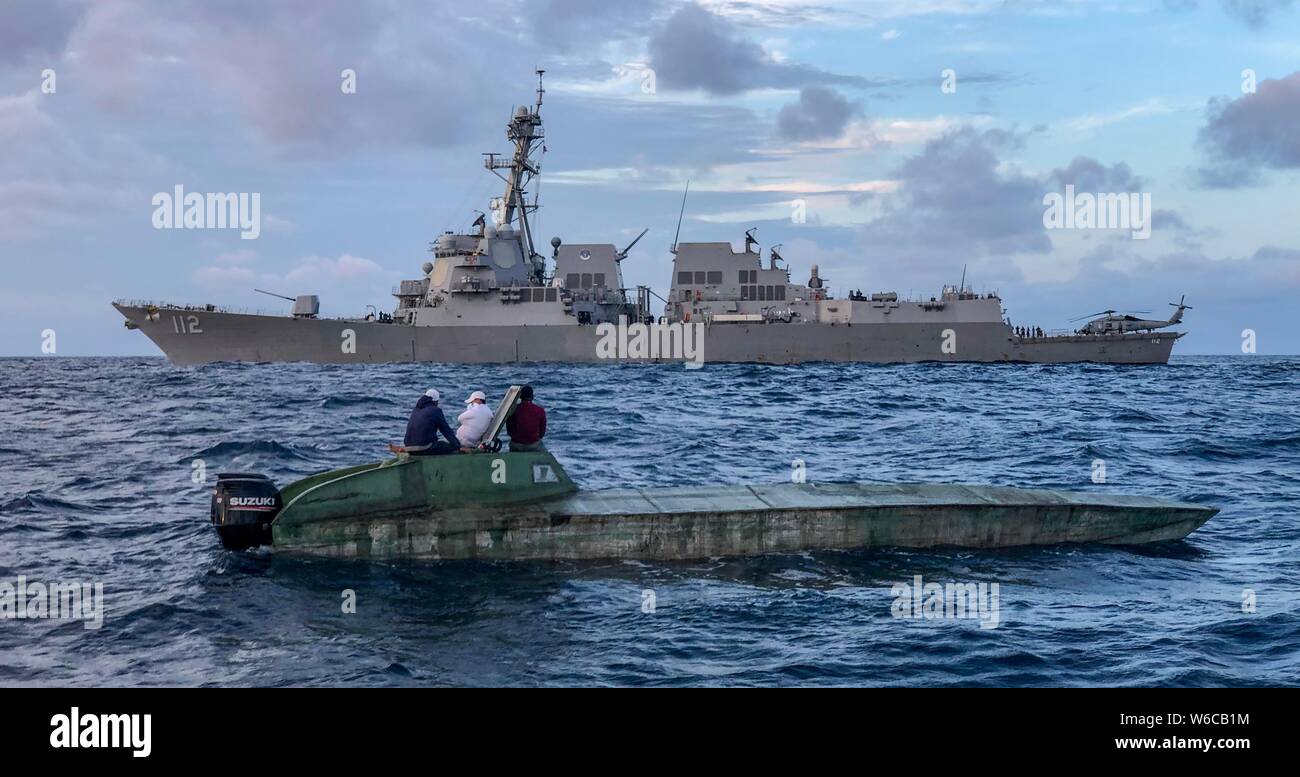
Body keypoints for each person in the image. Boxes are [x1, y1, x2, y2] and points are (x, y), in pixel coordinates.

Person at [400, 389, 460, 456]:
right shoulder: (436, 410)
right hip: (424, 448)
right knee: (448, 446)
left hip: (409, 449)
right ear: (435, 401)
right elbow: (446, 430)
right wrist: (458, 446)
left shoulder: (416, 409)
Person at [506, 385, 547, 452]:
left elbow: (509, 429)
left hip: (516, 444)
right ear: (532, 396)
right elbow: (542, 432)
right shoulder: (540, 410)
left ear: (520, 397)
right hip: (533, 445)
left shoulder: (514, 410)